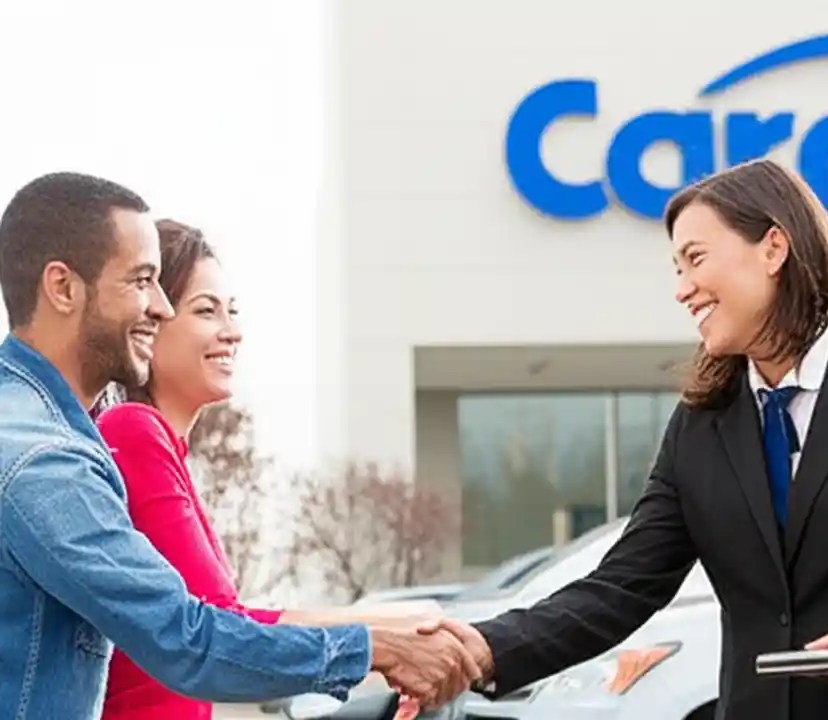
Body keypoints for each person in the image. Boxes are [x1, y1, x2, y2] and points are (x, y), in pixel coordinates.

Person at [423, 159, 828, 720]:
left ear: (773, 248)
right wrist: (482, 648)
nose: (682, 288)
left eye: (695, 258)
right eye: (676, 269)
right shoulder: (700, 425)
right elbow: (622, 588)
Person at [0, 172, 479, 719]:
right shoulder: (46, 463)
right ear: (62, 288)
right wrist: (380, 648)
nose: (159, 307)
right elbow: (188, 639)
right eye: (140, 281)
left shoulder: (44, 432)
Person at [89, 218, 443, 719]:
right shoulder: (133, 432)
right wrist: (390, 637)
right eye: (206, 311)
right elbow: (219, 628)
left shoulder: (162, 448)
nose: (231, 332)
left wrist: (394, 634)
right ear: (152, 320)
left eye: (231, 312)